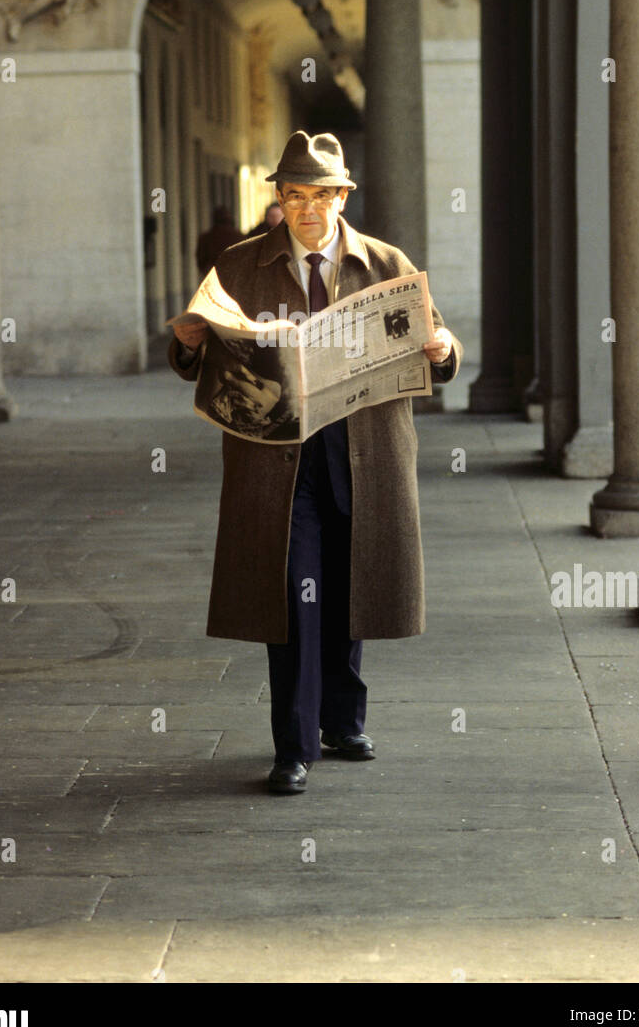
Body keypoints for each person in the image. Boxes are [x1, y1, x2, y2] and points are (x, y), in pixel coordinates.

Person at [170, 130, 462, 794]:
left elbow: (436, 347)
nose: (308, 209)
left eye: (322, 195)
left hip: (363, 451)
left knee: (352, 584)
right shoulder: (240, 268)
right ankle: (293, 746)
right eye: (295, 195)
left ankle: (344, 720)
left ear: (342, 196)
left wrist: (442, 350)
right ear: (280, 198)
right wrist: (189, 344)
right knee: (294, 595)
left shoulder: (386, 262)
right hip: (277, 460)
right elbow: (202, 361)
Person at [195, 205, 244, 275]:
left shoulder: (206, 238)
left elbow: (201, 262)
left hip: (214, 277)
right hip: (236, 276)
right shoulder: (239, 237)